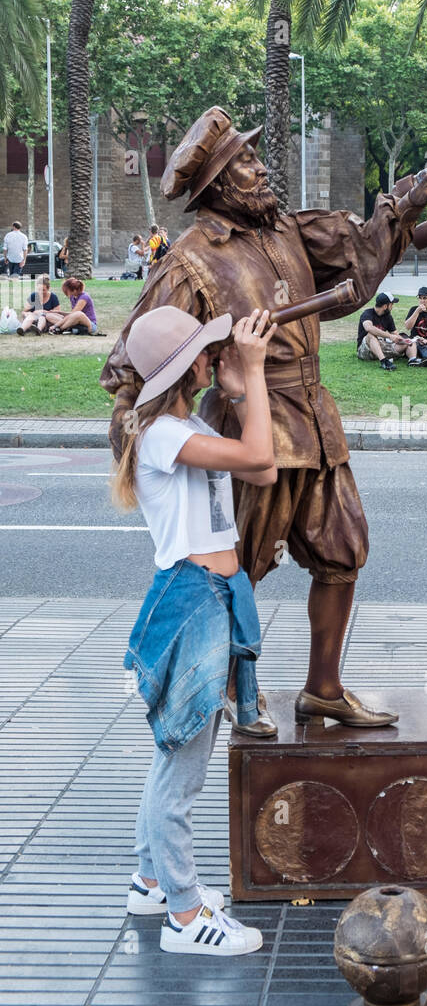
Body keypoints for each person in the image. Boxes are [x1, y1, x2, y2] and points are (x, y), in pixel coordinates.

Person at [102, 105, 427, 730]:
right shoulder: (190, 260)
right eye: (245, 162)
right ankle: (238, 686)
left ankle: (323, 686)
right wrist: (136, 427)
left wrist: (406, 202)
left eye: (255, 157)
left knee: (343, 552)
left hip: (314, 419)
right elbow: (135, 356)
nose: (261, 169)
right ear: (216, 187)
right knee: (238, 565)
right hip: (249, 417)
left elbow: (360, 259)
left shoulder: (285, 231)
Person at [116, 304, 277, 956]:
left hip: (215, 596)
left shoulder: (185, 423)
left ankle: (152, 882)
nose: (217, 358)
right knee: (182, 768)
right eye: (207, 354)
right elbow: (261, 452)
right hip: (191, 598)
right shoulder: (159, 434)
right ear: (183, 367)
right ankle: (185, 918)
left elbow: (261, 470)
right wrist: (256, 376)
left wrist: (238, 393)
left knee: (174, 757)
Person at [357, 292, 422, 369]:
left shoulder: (388, 317)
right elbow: (369, 328)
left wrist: (405, 341)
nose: (392, 306)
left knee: (408, 341)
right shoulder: (367, 313)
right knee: (370, 334)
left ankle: (412, 360)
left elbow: (395, 335)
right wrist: (390, 336)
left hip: (381, 348)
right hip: (365, 350)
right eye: (391, 304)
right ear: (385, 306)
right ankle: (384, 361)